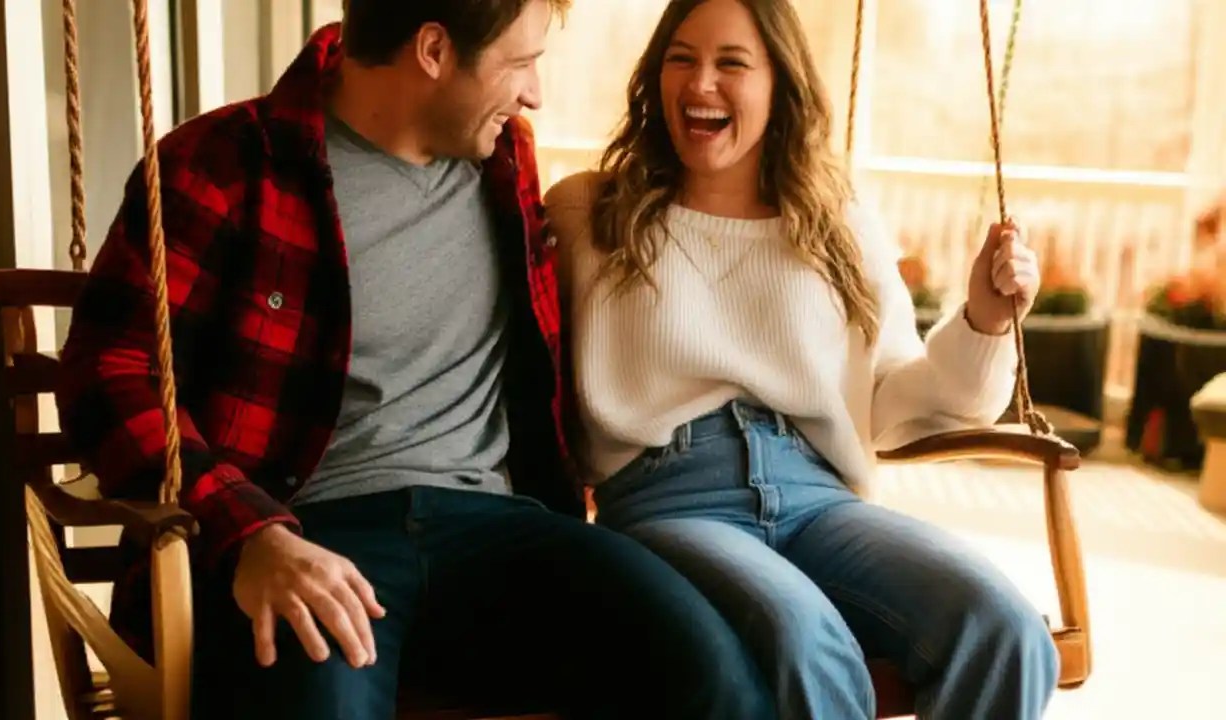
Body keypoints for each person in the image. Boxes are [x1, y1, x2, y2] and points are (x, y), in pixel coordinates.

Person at [55, 2, 776, 718]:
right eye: (521, 63)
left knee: (715, 673)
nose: (535, 93)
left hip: (499, 533)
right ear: (433, 50)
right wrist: (250, 533)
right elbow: (108, 370)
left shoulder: (505, 161)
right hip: (309, 534)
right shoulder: (220, 164)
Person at [544, 0, 1059, 718]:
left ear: (780, 82)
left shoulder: (836, 220)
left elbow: (902, 403)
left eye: (732, 64)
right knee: (802, 636)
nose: (700, 85)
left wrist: (984, 319)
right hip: (670, 502)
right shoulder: (589, 213)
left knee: (1005, 629)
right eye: (681, 58)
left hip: (820, 500)